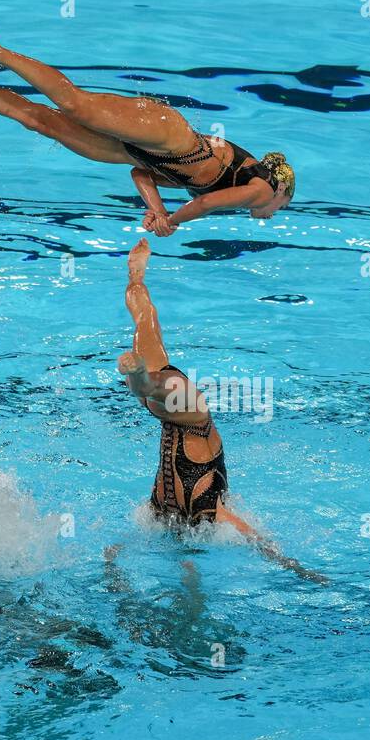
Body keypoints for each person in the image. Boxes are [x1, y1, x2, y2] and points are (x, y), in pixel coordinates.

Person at [0, 33, 295, 236]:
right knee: (74, 105)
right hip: (170, 137)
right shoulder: (261, 188)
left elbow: (141, 176)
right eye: (281, 208)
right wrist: (171, 222)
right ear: (281, 191)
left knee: (38, 120)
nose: (271, 214)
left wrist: (156, 209)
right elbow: (205, 205)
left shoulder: (238, 181)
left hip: (142, 155)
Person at [116, 238, 325, 583]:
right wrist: (297, 570)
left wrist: (117, 557)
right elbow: (258, 539)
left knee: (145, 327)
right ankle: (137, 348)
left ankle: (136, 287)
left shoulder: (159, 512)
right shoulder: (212, 513)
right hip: (193, 416)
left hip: (165, 405)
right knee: (146, 353)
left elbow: (139, 541)